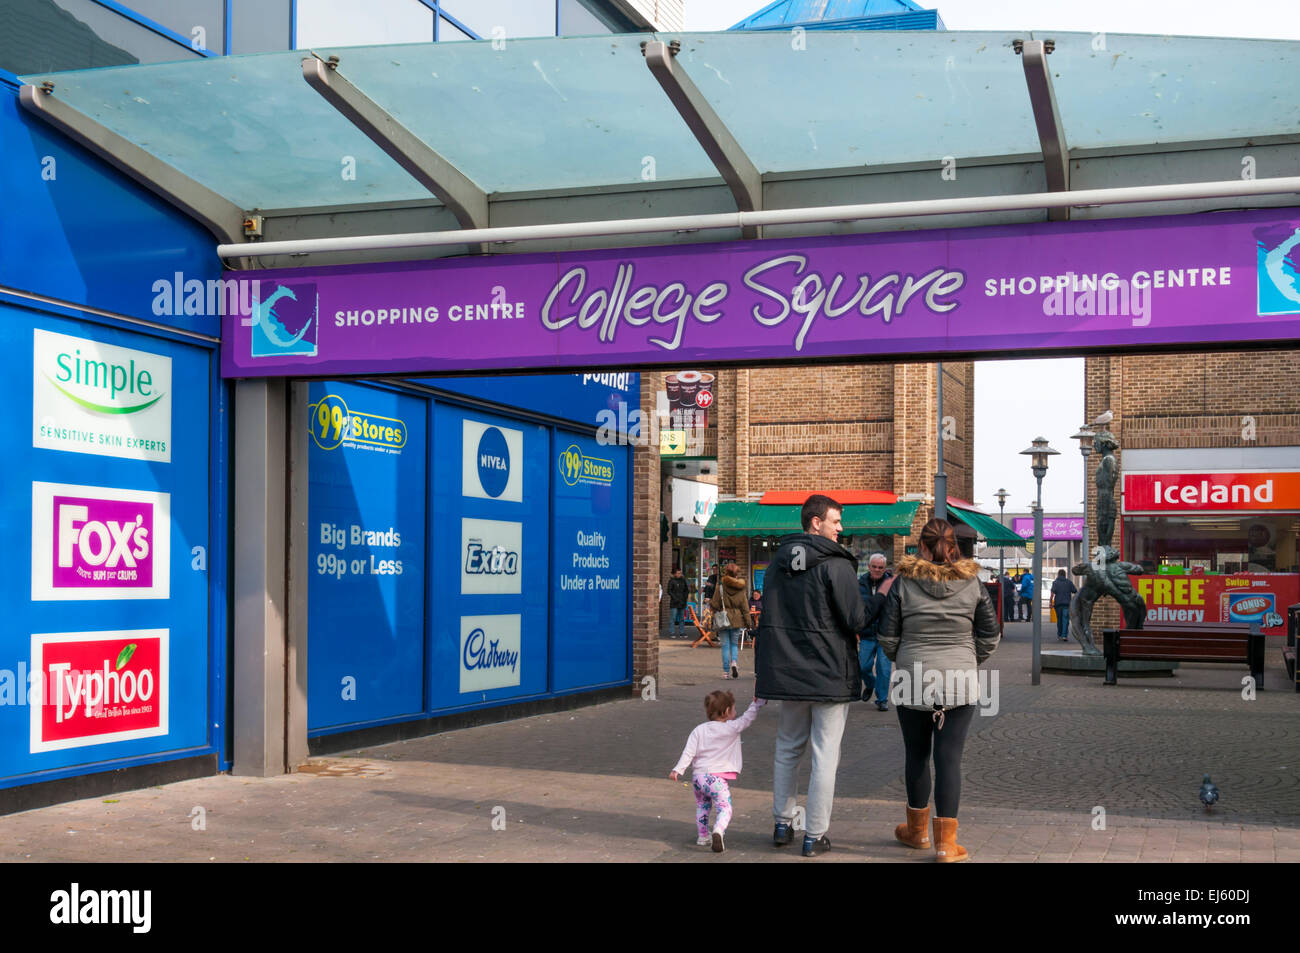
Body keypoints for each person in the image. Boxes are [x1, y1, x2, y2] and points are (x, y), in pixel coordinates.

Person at [878, 518, 999, 863]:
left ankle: (916, 833)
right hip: (960, 683)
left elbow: (887, 637)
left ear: (924, 545)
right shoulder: (972, 583)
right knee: (949, 759)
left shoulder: (903, 583)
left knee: (916, 755)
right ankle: (946, 844)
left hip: (912, 680)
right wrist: (966, 661)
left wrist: (904, 659)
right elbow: (990, 636)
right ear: (954, 546)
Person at [755, 494, 867, 857]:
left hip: (788, 671)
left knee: (787, 748)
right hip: (829, 671)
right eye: (836, 521)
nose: (841, 528)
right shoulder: (836, 565)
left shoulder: (777, 564)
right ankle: (814, 835)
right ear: (816, 523)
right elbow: (855, 618)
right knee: (824, 755)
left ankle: (782, 824)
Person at [670, 690, 766, 853]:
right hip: (716, 780)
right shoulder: (732, 727)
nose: (735, 713)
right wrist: (757, 703)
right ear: (727, 711)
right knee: (724, 807)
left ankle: (702, 836)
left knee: (702, 805)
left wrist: (678, 769)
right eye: (734, 709)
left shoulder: (699, 730)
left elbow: (689, 752)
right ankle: (718, 831)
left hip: (698, 778)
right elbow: (748, 718)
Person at [857, 553, 897, 711]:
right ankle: (870, 684)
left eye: (880, 567)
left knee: (884, 667)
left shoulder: (892, 584)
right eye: (874, 566)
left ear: (885, 568)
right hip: (866, 633)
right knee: (862, 667)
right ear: (869, 567)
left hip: (885, 633)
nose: (877, 570)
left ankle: (882, 699)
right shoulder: (860, 583)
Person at [712, 562, 749, 678]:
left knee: (725, 645)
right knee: (734, 644)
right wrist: (748, 622)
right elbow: (745, 607)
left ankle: (726, 672)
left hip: (724, 619)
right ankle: (734, 662)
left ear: (726, 573)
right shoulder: (741, 588)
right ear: (736, 574)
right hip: (737, 619)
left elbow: (715, 603)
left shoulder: (720, 587)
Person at [1050, 569, 1078, 641]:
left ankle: (1059, 634)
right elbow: (1075, 591)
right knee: (1065, 620)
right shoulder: (1069, 582)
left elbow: (1052, 594)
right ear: (1065, 575)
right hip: (1067, 604)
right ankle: (1064, 635)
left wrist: (1050, 603)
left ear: (1058, 574)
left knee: (1059, 620)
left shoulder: (1055, 582)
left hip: (1058, 604)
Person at [666, 568, 689, 639]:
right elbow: (669, 591)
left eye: (680, 573)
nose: (679, 574)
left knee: (682, 618)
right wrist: (675, 598)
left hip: (682, 602)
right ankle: (672, 632)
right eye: (678, 573)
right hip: (674, 602)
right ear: (675, 574)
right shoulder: (671, 581)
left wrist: (685, 598)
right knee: (673, 618)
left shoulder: (683, 580)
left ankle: (682, 632)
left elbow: (686, 590)